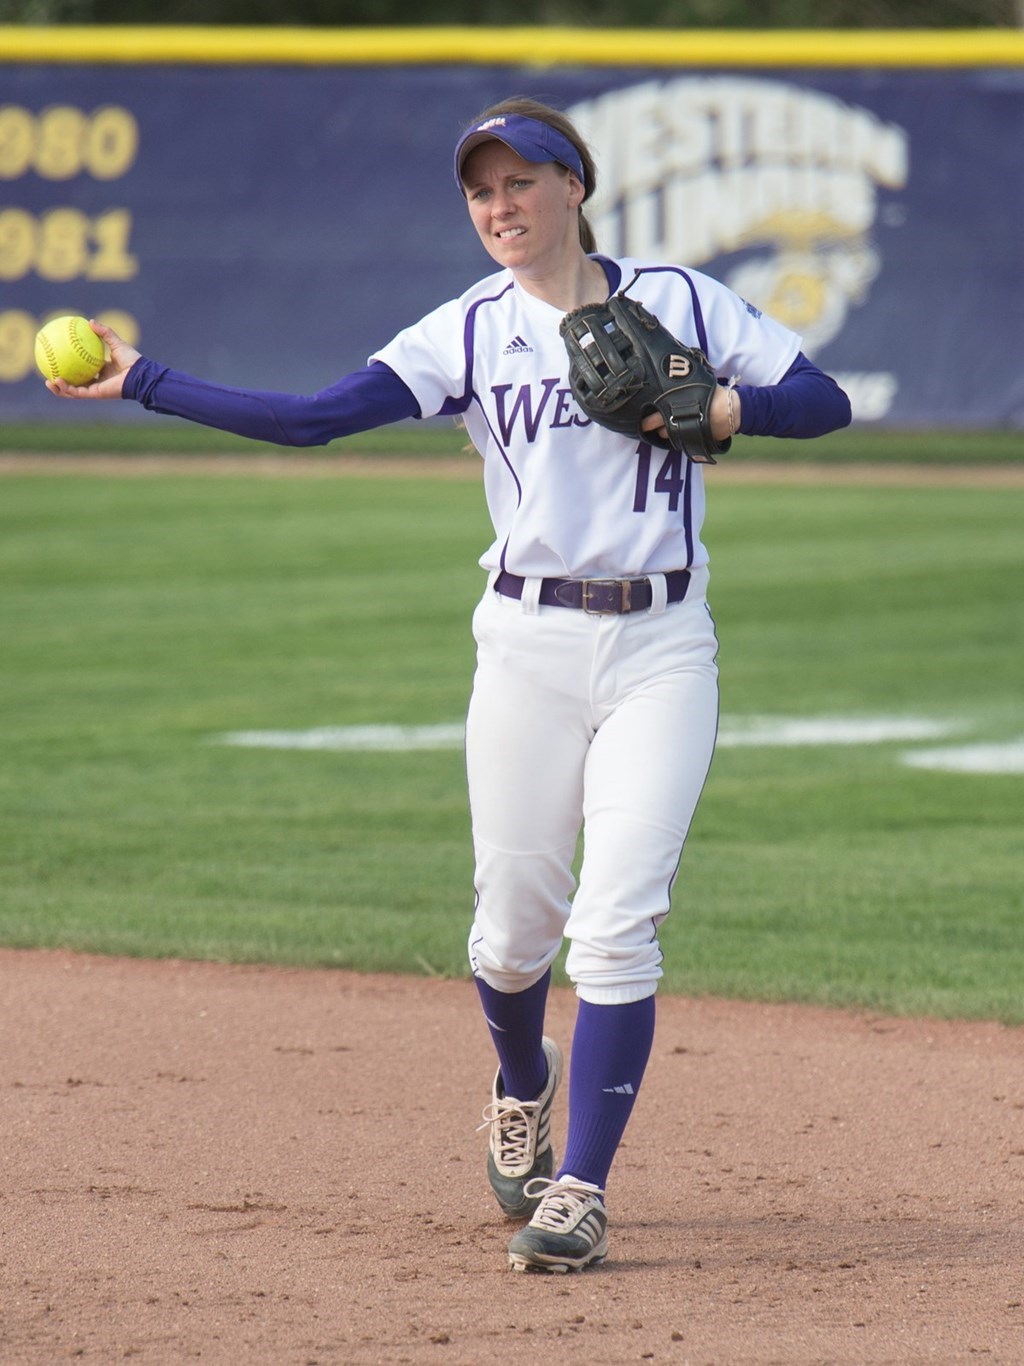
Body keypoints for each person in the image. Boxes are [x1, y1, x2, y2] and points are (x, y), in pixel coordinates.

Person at [47, 96, 851, 1274]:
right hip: (525, 647)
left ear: (574, 186)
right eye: (480, 189)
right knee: (512, 935)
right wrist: (144, 380)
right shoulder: (468, 330)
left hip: (663, 647)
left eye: (520, 180)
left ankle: (579, 1190)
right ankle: (523, 1079)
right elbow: (313, 420)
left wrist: (724, 405)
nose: (498, 204)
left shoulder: (679, 300)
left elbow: (822, 401)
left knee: (615, 926)